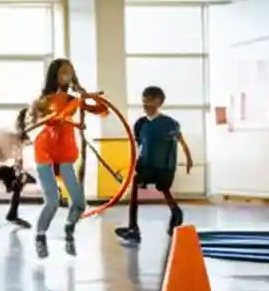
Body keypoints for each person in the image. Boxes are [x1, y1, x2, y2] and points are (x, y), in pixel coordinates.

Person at [28, 58, 106, 255]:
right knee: (52, 201)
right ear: (55, 75)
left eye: (70, 72)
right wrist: (49, 116)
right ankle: (40, 236)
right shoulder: (43, 99)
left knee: (79, 202)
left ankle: (69, 228)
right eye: (63, 72)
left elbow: (103, 111)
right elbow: (35, 121)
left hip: (64, 152)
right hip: (45, 150)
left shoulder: (74, 99)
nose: (67, 76)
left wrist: (90, 96)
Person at [115, 85, 193, 243]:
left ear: (159, 103)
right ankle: (133, 228)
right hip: (147, 166)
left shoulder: (170, 123)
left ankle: (176, 212)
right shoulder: (140, 124)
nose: (147, 106)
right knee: (136, 183)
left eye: (151, 102)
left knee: (163, 188)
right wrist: (130, 167)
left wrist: (189, 159)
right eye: (144, 102)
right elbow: (138, 147)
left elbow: (181, 141)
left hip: (164, 167)